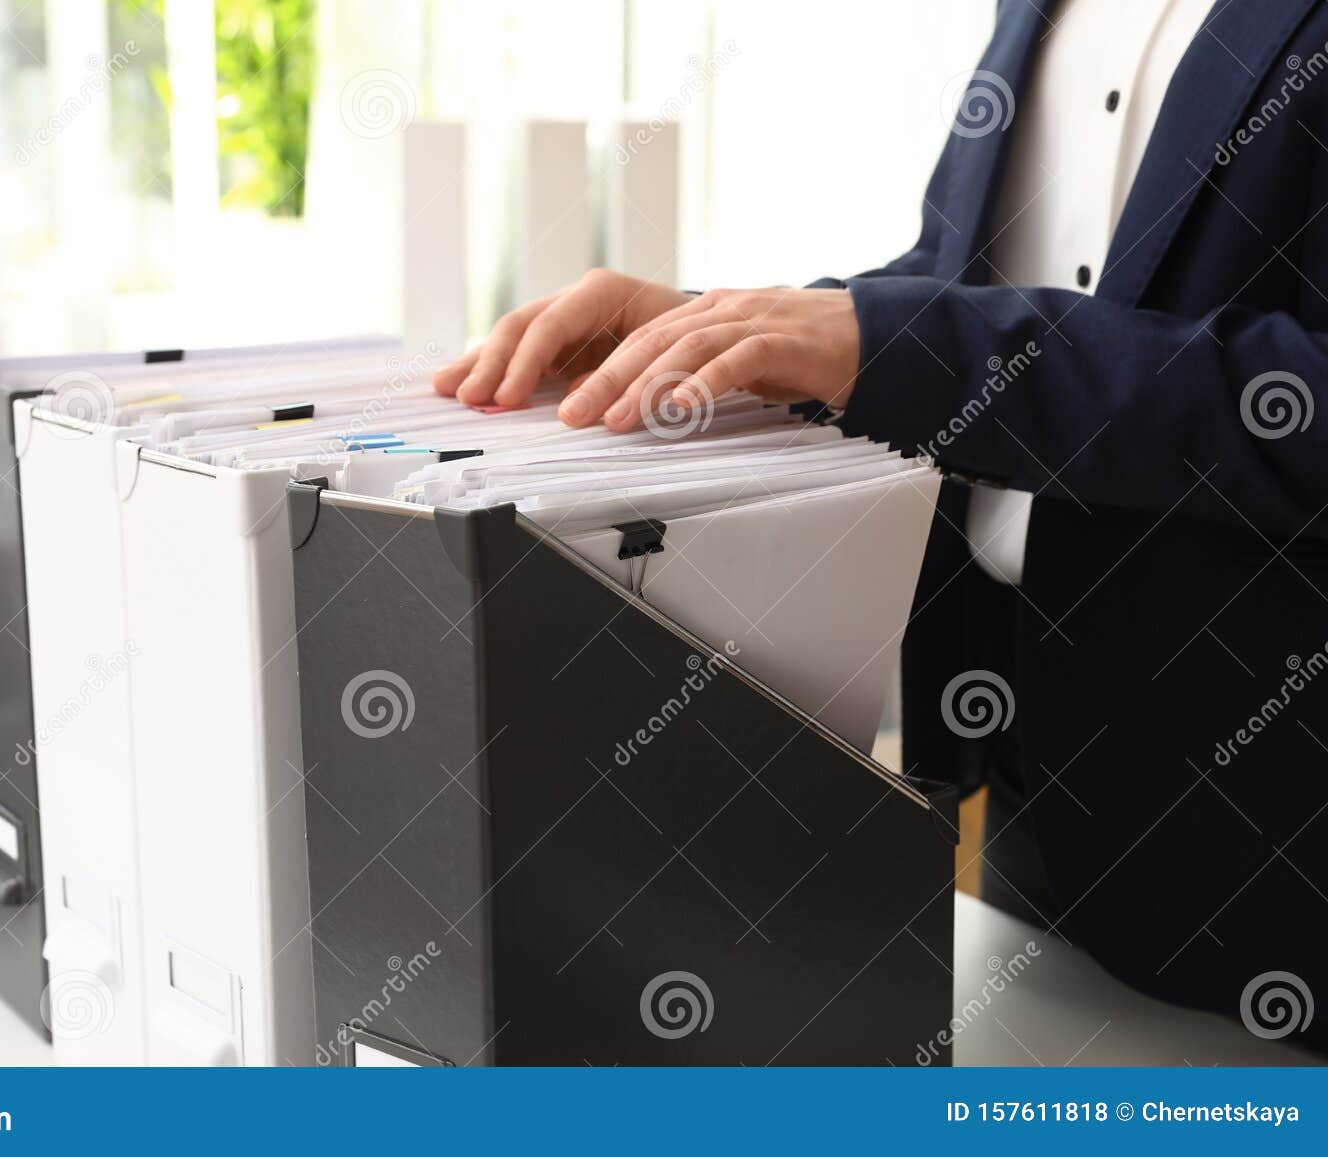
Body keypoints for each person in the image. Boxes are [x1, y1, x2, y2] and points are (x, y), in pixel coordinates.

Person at [434, 0, 1328, 1053]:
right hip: (1024, 762)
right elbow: (972, 274)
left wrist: (908, 343)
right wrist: (729, 333)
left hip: (1272, 801)